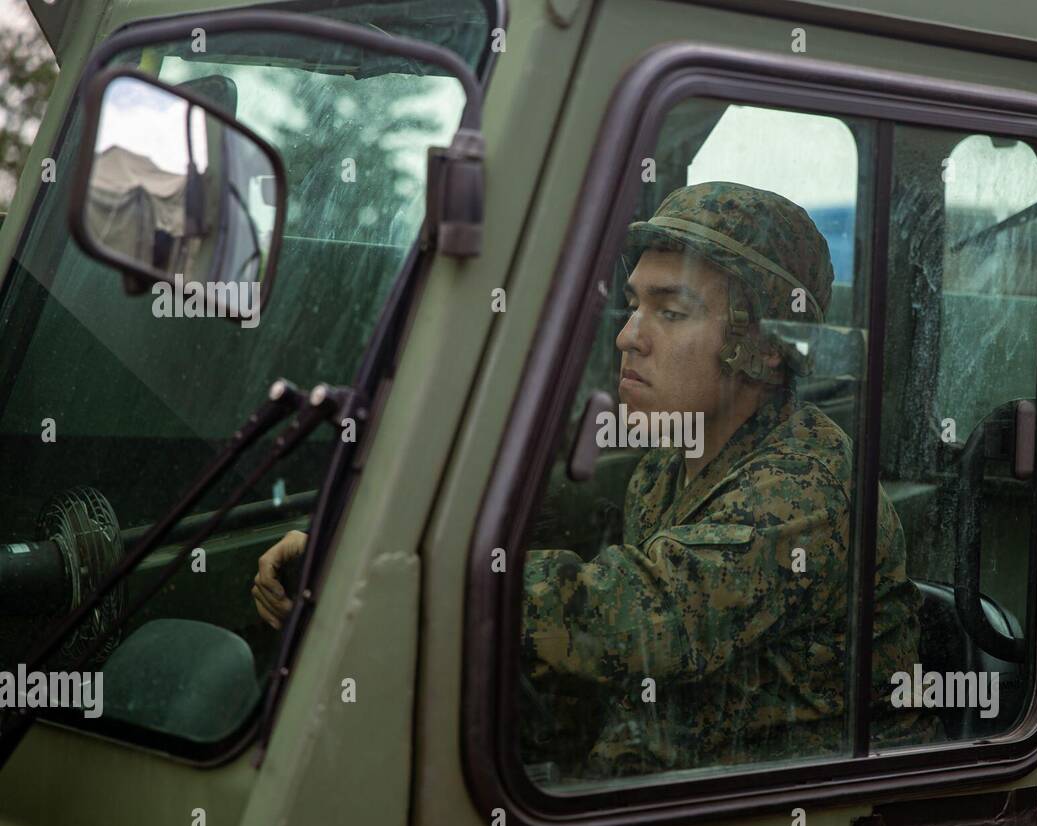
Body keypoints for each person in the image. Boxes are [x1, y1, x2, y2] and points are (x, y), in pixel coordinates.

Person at [253, 181, 936, 780]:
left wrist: (374, 566)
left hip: (777, 818)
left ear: (761, 344)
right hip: (678, 780)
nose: (628, 337)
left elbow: (640, 619)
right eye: (635, 305)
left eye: (670, 312)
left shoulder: (805, 490)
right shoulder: (671, 460)